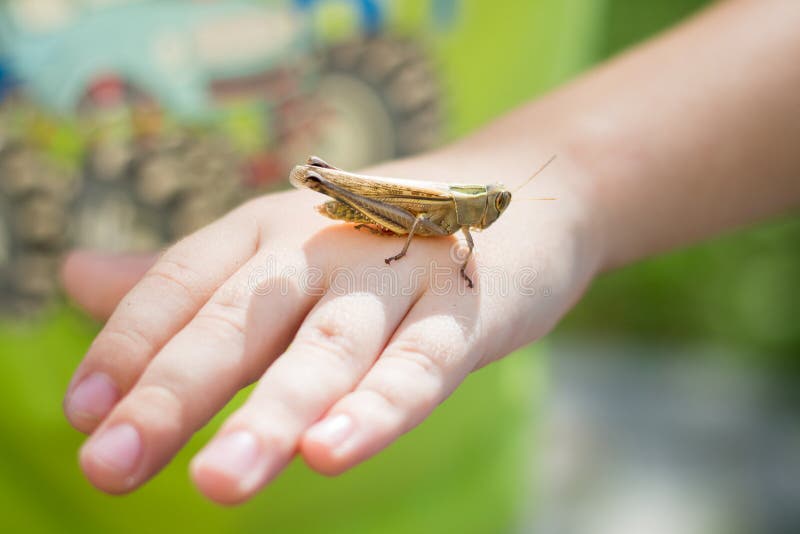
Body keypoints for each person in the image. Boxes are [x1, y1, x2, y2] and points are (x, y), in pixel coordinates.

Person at [61, 0, 800, 505]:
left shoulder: (474, 216)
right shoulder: (454, 215)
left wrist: (581, 175)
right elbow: (439, 223)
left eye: (495, 208)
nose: (493, 213)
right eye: (493, 207)